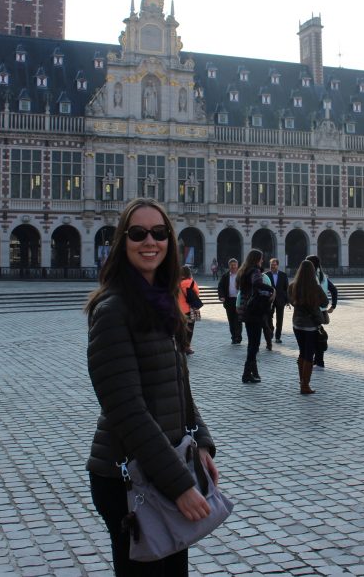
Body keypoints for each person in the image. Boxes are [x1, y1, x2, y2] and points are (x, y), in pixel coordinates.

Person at [85, 197, 219, 576]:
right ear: (122, 242)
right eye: (138, 233)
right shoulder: (112, 311)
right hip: (128, 476)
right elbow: (127, 409)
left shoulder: (160, 304)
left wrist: (201, 443)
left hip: (164, 464)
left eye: (159, 233)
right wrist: (179, 484)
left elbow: (178, 386)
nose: (150, 242)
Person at [289, 260, 328, 394]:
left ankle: (302, 381)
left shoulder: (293, 286)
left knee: (302, 352)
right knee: (309, 355)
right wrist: (314, 303)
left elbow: (291, 301)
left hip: (297, 324)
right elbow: (325, 301)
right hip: (310, 325)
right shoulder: (315, 287)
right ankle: (305, 385)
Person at [236, 249, 274, 384]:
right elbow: (257, 283)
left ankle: (251, 372)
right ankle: (246, 373)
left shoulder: (244, 271)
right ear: (257, 259)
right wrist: (271, 290)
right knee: (255, 344)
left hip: (247, 310)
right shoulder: (255, 271)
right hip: (254, 311)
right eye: (261, 258)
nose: (262, 261)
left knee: (252, 343)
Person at [305, 255, 338, 368]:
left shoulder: (310, 276)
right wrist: (333, 305)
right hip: (322, 311)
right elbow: (334, 290)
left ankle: (317, 360)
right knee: (318, 334)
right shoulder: (323, 276)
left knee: (313, 336)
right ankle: (318, 360)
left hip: (312, 311)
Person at [217, 258, 243, 344]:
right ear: (229, 266)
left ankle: (238, 337)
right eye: (231, 265)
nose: (233, 267)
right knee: (231, 320)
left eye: (234, 265)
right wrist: (222, 296)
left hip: (239, 300)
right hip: (229, 301)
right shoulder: (225, 276)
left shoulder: (241, 275)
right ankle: (233, 337)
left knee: (238, 319)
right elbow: (220, 287)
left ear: (237, 265)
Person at [178, 266, 200, 355]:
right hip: (190, 309)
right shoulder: (191, 282)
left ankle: (180, 346)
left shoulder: (176, 283)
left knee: (180, 329)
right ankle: (187, 347)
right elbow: (197, 294)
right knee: (189, 329)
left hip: (179, 309)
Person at [267, 258, 289, 343]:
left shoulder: (283, 275)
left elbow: (286, 288)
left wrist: (287, 300)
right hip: (269, 300)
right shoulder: (266, 275)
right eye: (271, 264)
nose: (272, 266)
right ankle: (271, 329)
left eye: (274, 264)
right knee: (269, 317)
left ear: (277, 265)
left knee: (280, 319)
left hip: (280, 300)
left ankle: (278, 337)